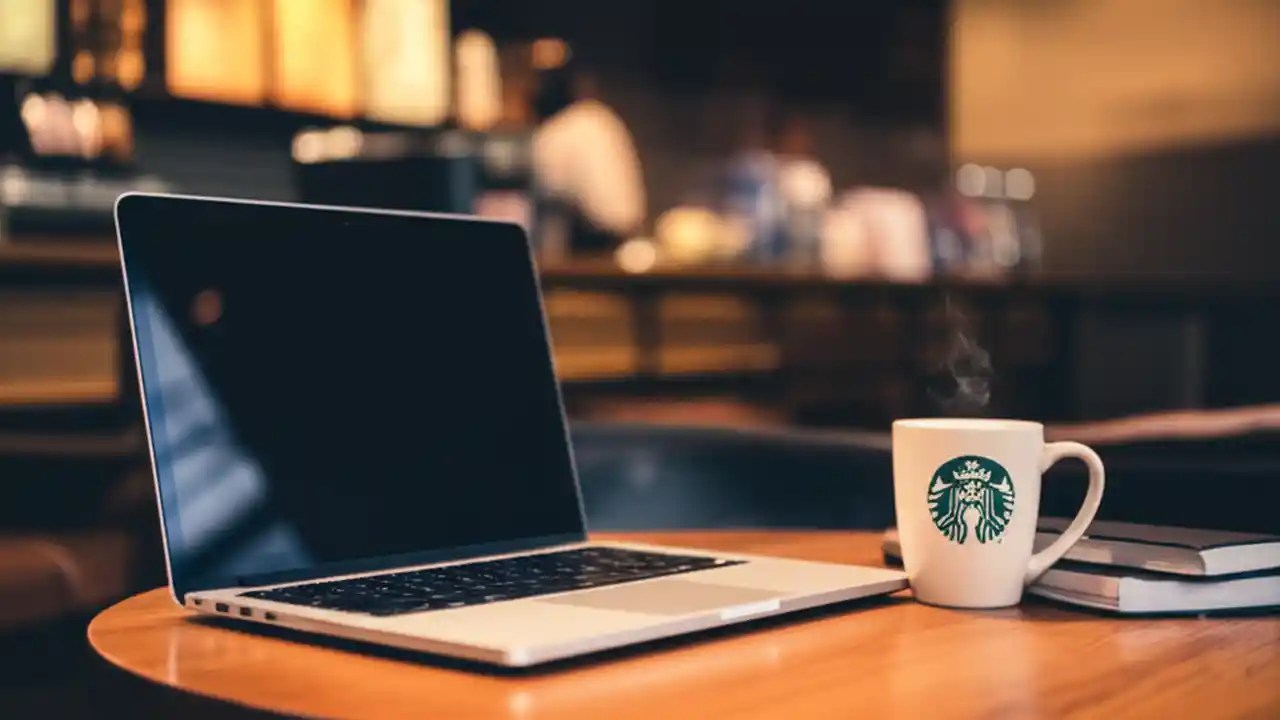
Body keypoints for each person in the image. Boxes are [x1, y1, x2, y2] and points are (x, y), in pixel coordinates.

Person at [531, 63, 645, 256]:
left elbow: (550, 192)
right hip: (629, 239)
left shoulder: (553, 132)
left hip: (591, 241)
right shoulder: (602, 116)